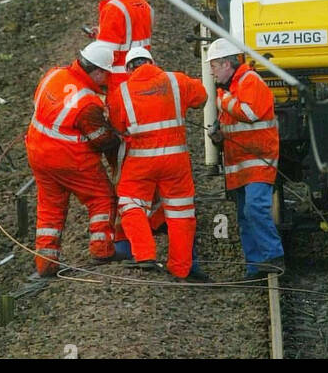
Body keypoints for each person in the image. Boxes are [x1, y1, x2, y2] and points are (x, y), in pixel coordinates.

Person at [108, 46, 208, 282]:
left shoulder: (121, 91)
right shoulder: (176, 81)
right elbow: (202, 96)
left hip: (141, 161)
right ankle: (181, 269)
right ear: (151, 61)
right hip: (176, 161)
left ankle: (144, 255)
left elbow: (118, 127)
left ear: (129, 69)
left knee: (130, 202)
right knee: (181, 212)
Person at [25, 42, 120, 279]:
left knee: (49, 209)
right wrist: (117, 136)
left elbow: (42, 106)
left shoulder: (53, 75)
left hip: (38, 153)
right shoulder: (88, 103)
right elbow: (101, 140)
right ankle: (102, 250)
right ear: (97, 71)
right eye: (105, 75)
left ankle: (46, 263)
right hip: (70, 159)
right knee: (102, 198)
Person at [206, 38, 284, 279]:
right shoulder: (228, 89)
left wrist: (224, 101)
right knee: (244, 215)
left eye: (214, 66)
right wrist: (218, 136)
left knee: (255, 209)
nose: (211, 71)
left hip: (258, 160)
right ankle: (255, 266)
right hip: (239, 164)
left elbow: (249, 113)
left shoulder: (249, 81)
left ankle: (273, 256)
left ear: (227, 64)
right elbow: (234, 125)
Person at [94, 0, 154, 94]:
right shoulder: (143, 4)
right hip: (145, 73)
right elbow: (134, 35)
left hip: (121, 80)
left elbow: (107, 53)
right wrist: (100, 33)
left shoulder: (113, 8)